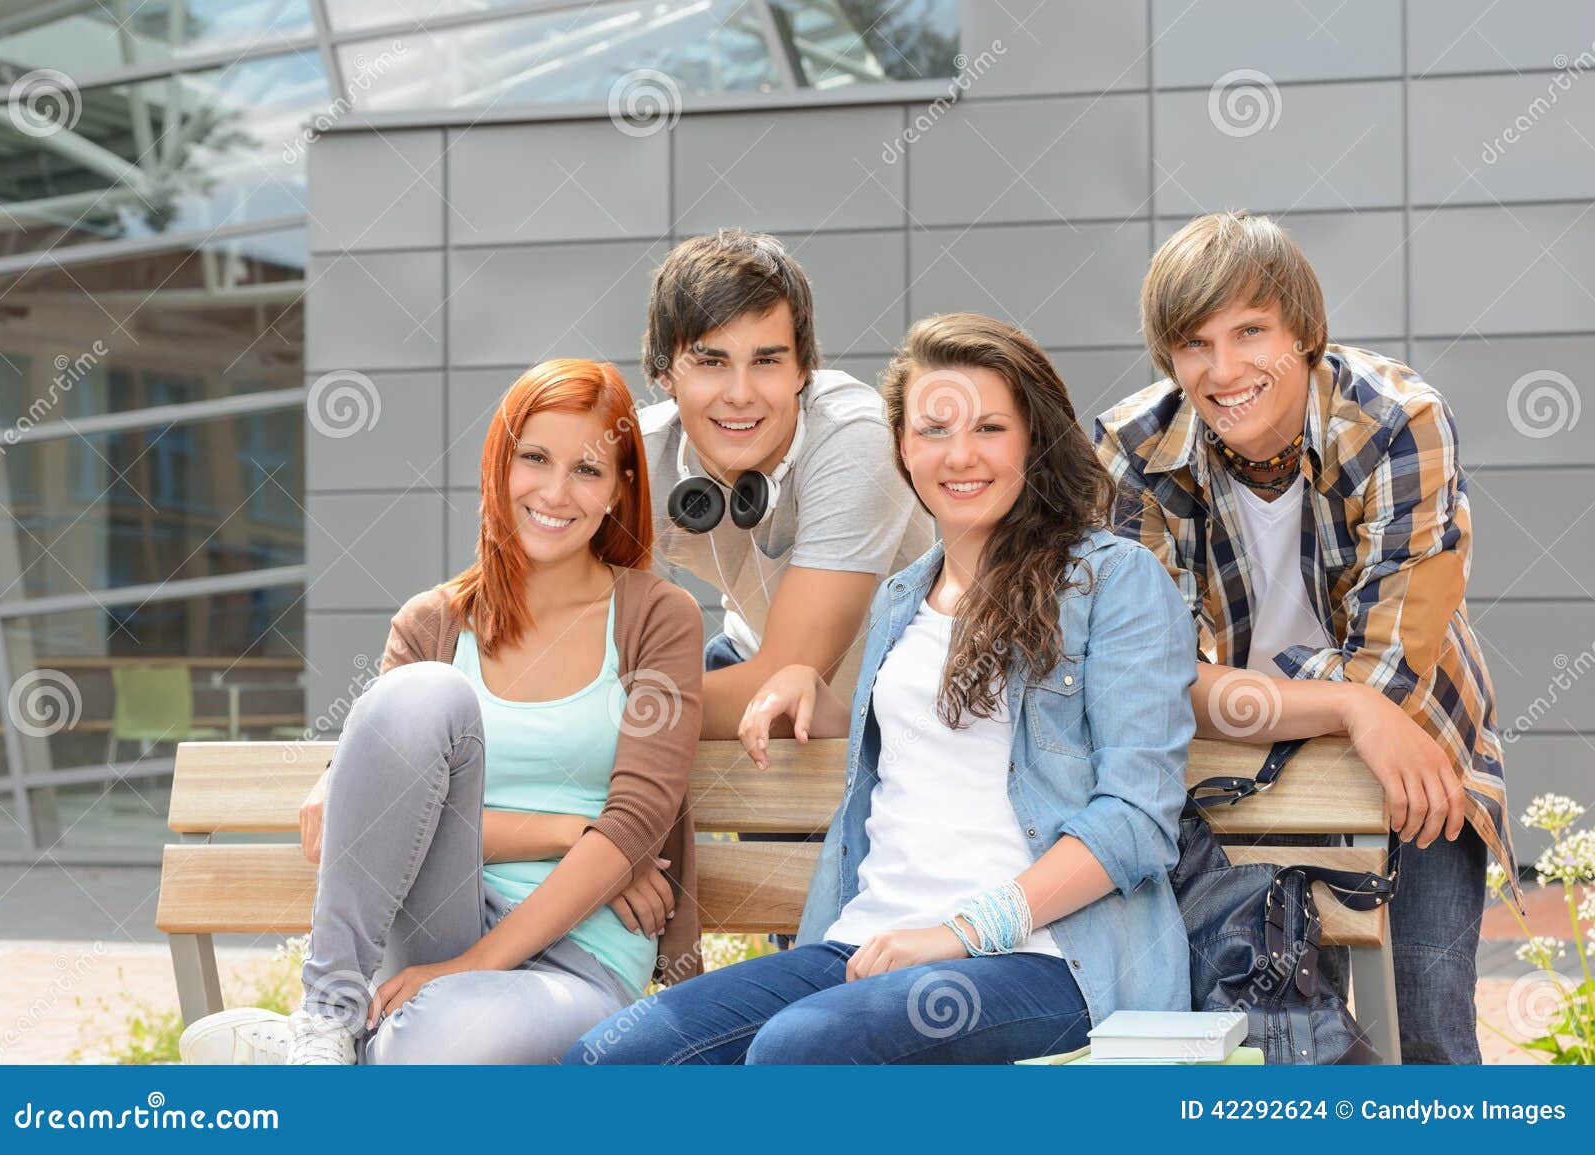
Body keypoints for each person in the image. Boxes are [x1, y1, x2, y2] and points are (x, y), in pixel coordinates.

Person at [565, 313, 1197, 1065]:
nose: (959, 454)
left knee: (802, 1050)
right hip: (865, 943)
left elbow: (1136, 817)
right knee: (610, 1060)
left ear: (1034, 438)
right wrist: (812, 689)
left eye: (990, 427)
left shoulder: (1113, 580)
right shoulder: (903, 595)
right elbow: (922, 749)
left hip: (1051, 962)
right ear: (901, 446)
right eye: (933, 429)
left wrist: (960, 933)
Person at [178, 359, 703, 1065]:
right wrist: (576, 833)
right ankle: (328, 1019)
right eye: (535, 458)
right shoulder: (432, 623)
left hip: (580, 959)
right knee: (425, 692)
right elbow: (365, 819)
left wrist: (472, 964)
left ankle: (308, 1063)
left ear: (620, 488)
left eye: (587, 469)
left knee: (428, 1047)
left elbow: (636, 823)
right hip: (432, 930)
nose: (555, 491)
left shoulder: (657, 617)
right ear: (499, 463)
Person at [1094, 210, 1521, 1064]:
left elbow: (1391, 671)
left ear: (1306, 332)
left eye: (1252, 331)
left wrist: (1359, 707)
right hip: (1236, 771)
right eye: (1194, 344)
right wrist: (1345, 705)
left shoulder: (1399, 421)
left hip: (1414, 751)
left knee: (1432, 1030)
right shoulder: (1134, 451)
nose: (1224, 370)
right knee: (1295, 1039)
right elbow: (1151, 677)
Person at [639, 228, 935, 738]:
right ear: (666, 373)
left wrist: (597, 717)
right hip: (740, 665)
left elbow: (785, 689)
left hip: (883, 712)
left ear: (803, 370)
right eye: (710, 362)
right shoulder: (637, 453)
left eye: (767, 361)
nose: (739, 394)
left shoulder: (855, 438)